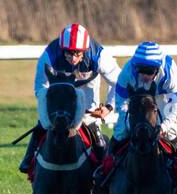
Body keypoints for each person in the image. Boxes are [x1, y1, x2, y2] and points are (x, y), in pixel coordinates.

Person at [19, 23, 121, 178]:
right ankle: (28, 159)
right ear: (62, 49)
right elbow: (40, 88)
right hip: (59, 97)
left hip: (87, 94)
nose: (73, 58)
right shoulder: (49, 56)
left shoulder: (99, 56)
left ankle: (104, 171)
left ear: (85, 50)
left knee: (97, 138)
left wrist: (108, 107)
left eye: (77, 53)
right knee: (44, 124)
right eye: (68, 53)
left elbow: (119, 83)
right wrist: (51, 109)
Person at [95, 41, 177, 187]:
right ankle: (108, 168)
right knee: (120, 132)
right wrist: (131, 123)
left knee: (171, 133)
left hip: (162, 98)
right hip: (136, 100)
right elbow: (122, 104)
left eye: (150, 72)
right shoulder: (127, 72)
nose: (145, 75)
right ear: (135, 67)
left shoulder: (170, 72)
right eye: (142, 71)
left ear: (158, 69)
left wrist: (163, 127)